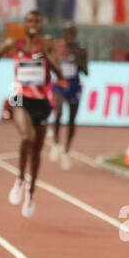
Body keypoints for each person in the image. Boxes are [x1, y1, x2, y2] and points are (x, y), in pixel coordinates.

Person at [0, 10, 61, 218]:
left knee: (36, 151)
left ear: (41, 24)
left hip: (42, 102)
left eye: (36, 20)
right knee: (27, 137)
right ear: (24, 25)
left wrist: (47, 57)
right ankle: (19, 180)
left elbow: (60, 72)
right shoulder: (14, 44)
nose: (33, 23)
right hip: (19, 98)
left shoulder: (48, 44)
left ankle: (31, 191)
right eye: (29, 20)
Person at [48, 21, 86, 172]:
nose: (70, 35)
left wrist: (78, 60)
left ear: (75, 34)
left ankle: (67, 149)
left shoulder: (80, 49)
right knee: (58, 112)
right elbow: (51, 64)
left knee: (71, 119)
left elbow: (86, 71)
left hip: (74, 86)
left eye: (72, 32)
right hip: (60, 84)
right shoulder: (59, 48)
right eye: (67, 32)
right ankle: (56, 142)